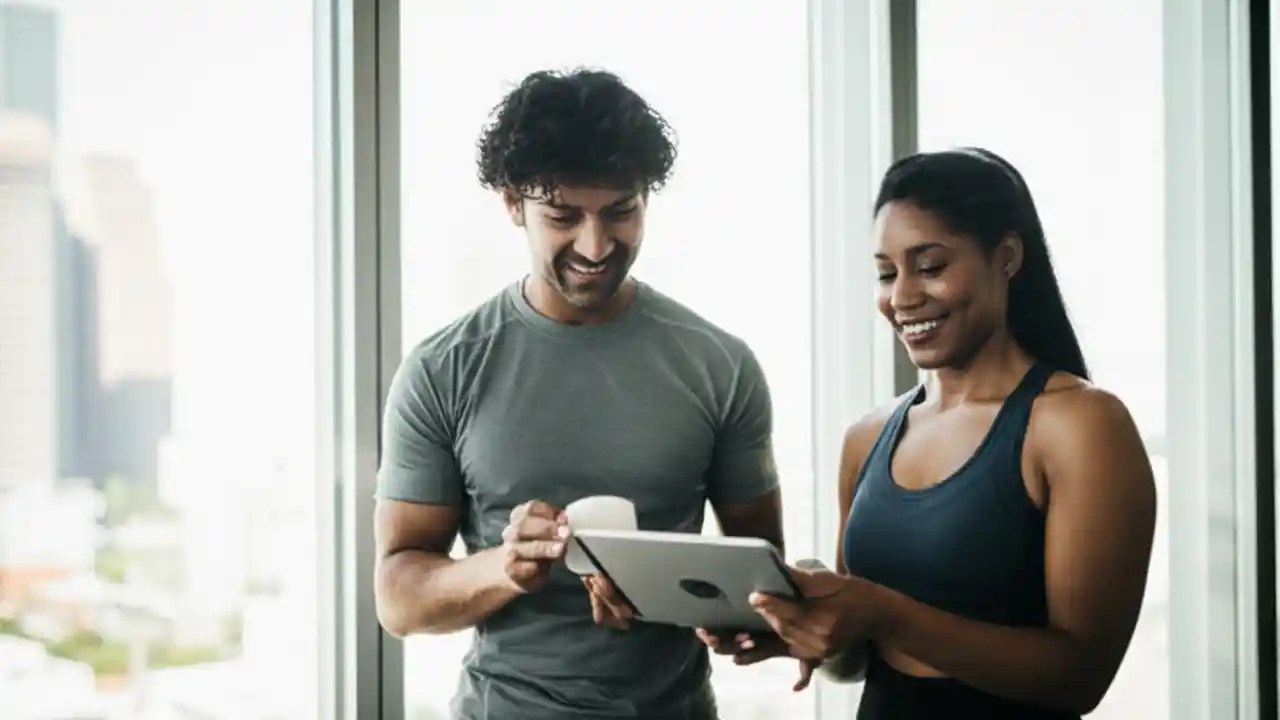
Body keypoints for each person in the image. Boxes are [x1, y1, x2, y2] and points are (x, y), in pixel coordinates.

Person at [372, 67, 786, 720]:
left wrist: (689, 602)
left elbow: (761, 587)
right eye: (563, 216)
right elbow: (398, 598)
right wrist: (504, 568)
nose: (596, 246)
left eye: (620, 211)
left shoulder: (720, 365)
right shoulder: (443, 369)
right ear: (514, 203)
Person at [702, 148, 1157, 719]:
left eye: (931, 266)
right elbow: (864, 649)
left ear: (1008, 257)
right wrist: (797, 627)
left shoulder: (1079, 425)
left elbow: (1079, 677)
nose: (902, 298)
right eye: (887, 273)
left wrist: (886, 613)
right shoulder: (867, 437)